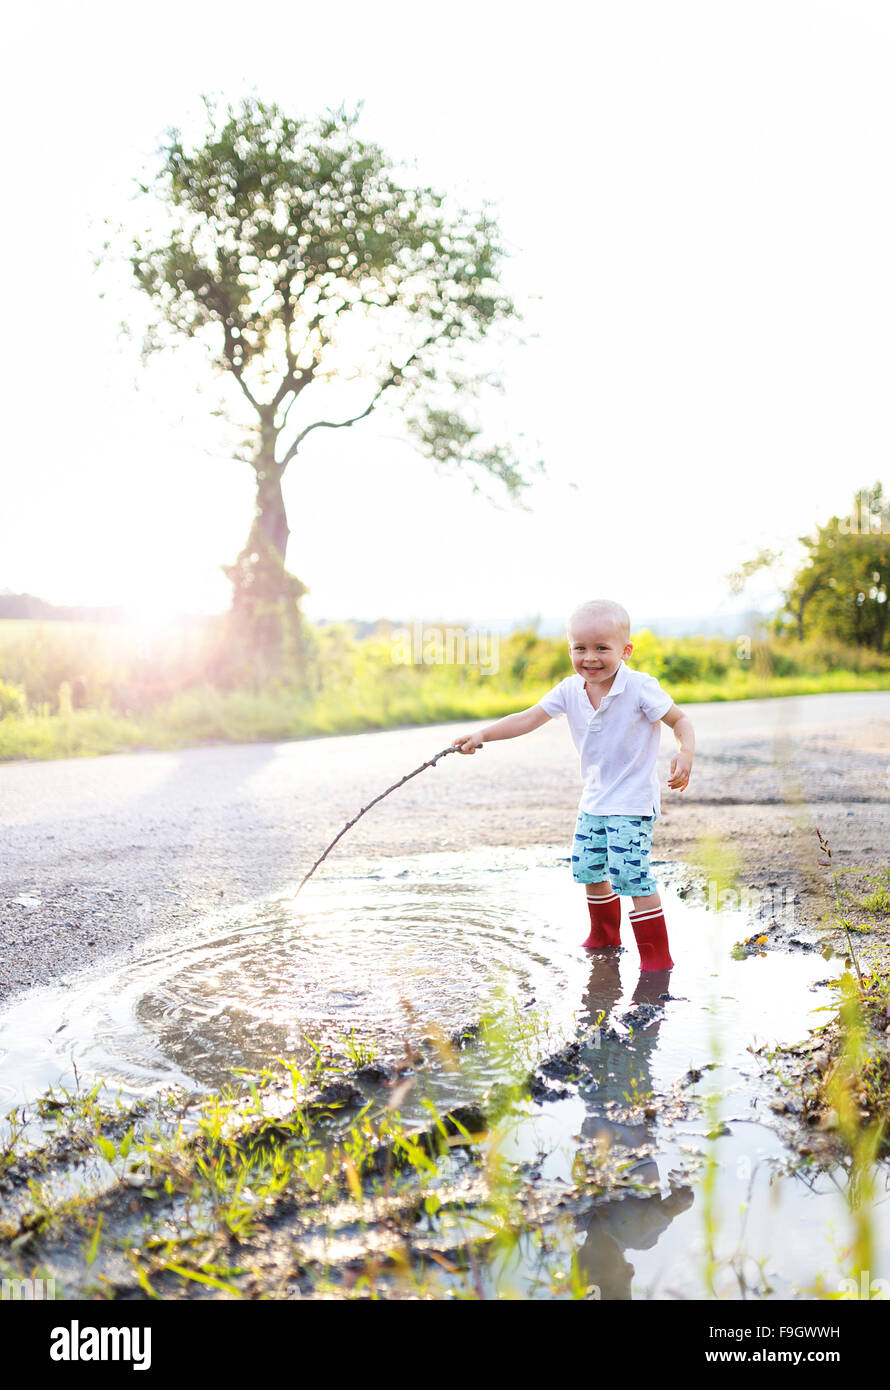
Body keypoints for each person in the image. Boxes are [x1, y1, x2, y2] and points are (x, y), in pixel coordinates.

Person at [451, 599, 695, 971]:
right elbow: (528, 718)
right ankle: (604, 935)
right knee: (589, 868)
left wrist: (685, 753)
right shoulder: (569, 690)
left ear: (625, 651)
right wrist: (481, 734)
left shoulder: (639, 687)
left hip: (631, 802)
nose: (590, 658)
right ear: (570, 650)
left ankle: (656, 956)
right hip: (593, 801)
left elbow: (681, 722)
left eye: (602, 648)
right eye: (580, 648)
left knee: (631, 875)